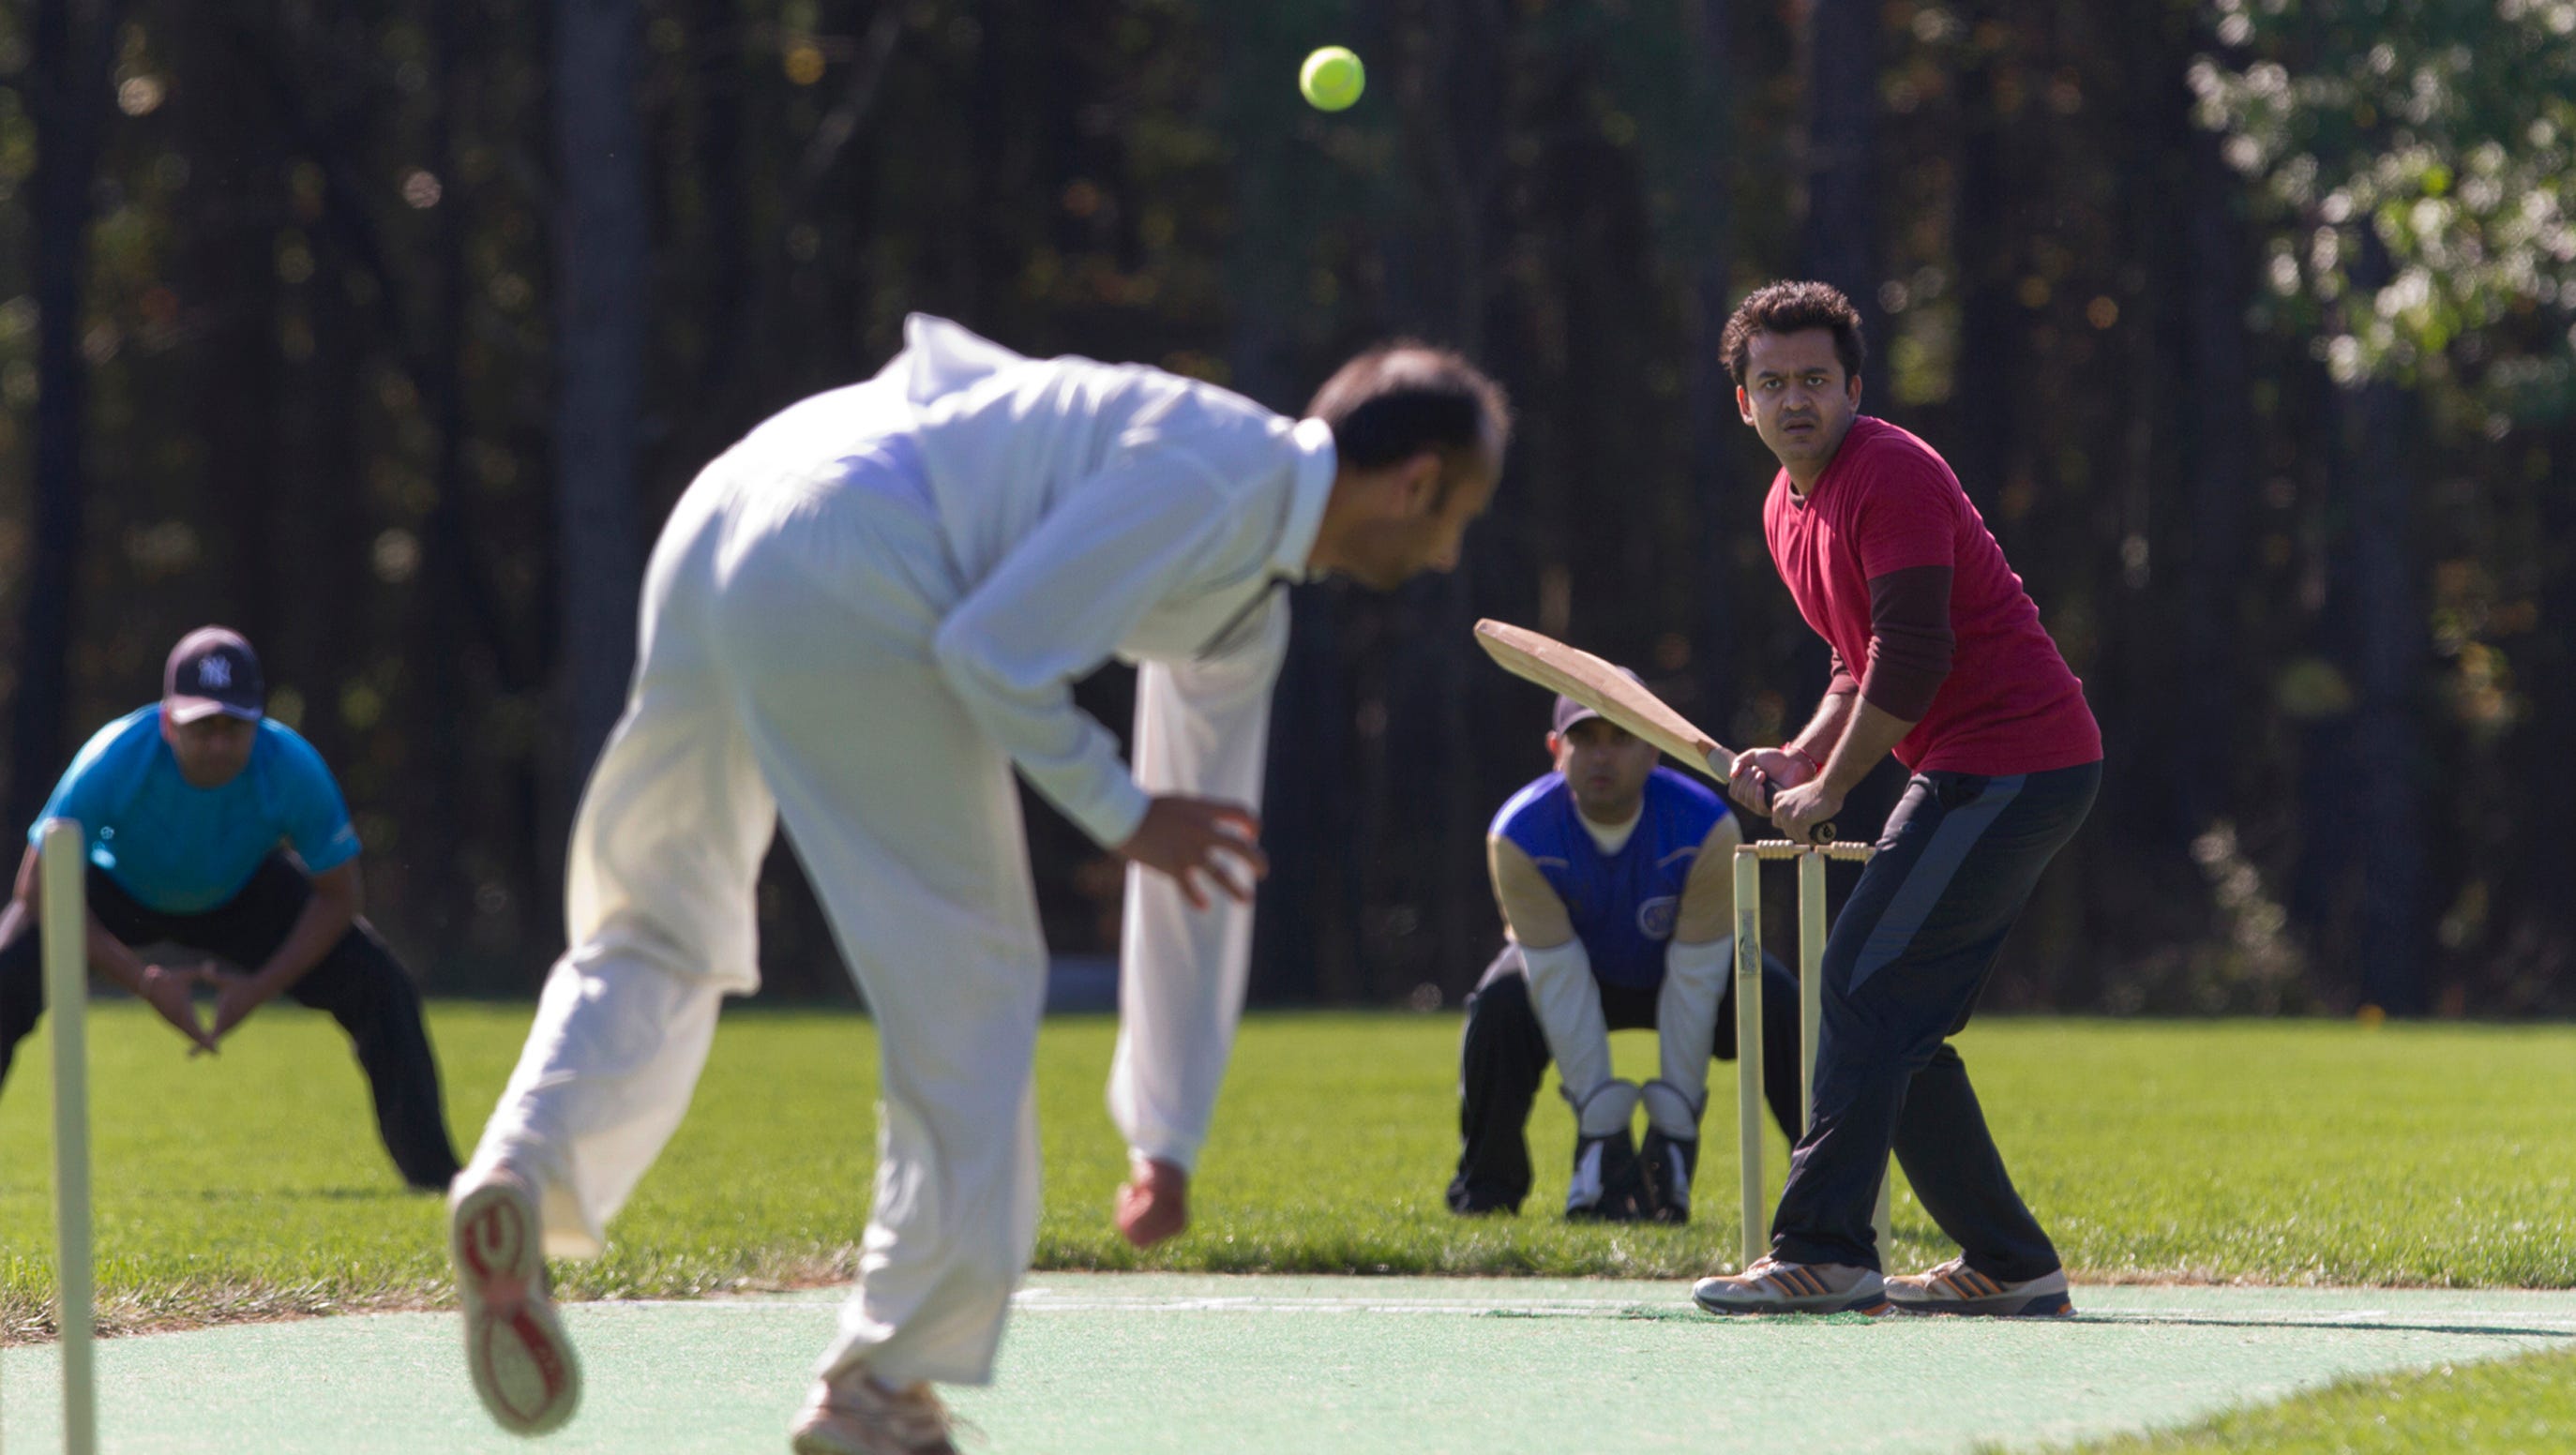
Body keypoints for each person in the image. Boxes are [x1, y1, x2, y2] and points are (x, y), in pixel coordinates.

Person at [445, 314, 1510, 1453]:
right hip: (848, 546)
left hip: (730, 510)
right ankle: (878, 1384)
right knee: (977, 983)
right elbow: (989, 655)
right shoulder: (1226, 471)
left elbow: (1199, 866)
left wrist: (1168, 1130)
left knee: (656, 922)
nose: (1447, 555)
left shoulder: (1243, 589)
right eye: (1457, 521)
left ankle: (521, 1164)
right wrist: (1121, 809)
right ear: (1414, 481)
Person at [1687, 281, 2101, 1319]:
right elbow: (1852, 655)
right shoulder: (1785, 505)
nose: (1794, 401)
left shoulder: (1890, 472)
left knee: (1863, 983)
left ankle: (1825, 1250)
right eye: (1771, 383)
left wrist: (1830, 787)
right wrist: (1798, 753)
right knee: (1893, 1012)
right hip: (1967, 765)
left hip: (2013, 759)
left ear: (1852, 386)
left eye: (1814, 381)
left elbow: (1914, 655)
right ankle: (2009, 1263)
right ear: (1741, 402)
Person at [0, 626, 463, 1192]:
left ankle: (439, 1182)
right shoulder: (112, 759)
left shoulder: (292, 767)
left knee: (383, 986)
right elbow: (37, 889)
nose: (218, 743)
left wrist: (259, 987)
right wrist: (145, 982)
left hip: (243, 890)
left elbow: (341, 897)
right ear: (169, 722)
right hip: (117, 887)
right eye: (201, 726)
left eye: (234, 726)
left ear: (258, 722)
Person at [1447, 685, 1802, 1223]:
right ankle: (1487, 1196)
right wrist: (1602, 1125)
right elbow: (1558, 978)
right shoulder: (1519, 834)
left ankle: (1827, 1191)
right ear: (1555, 749)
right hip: (1569, 974)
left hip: (1677, 972)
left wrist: (1675, 1129)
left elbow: (1696, 974)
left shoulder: (1705, 825)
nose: (1603, 756)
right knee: (1497, 1006)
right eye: (1585, 739)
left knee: (1779, 1003)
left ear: (1655, 749)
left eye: (1623, 738)